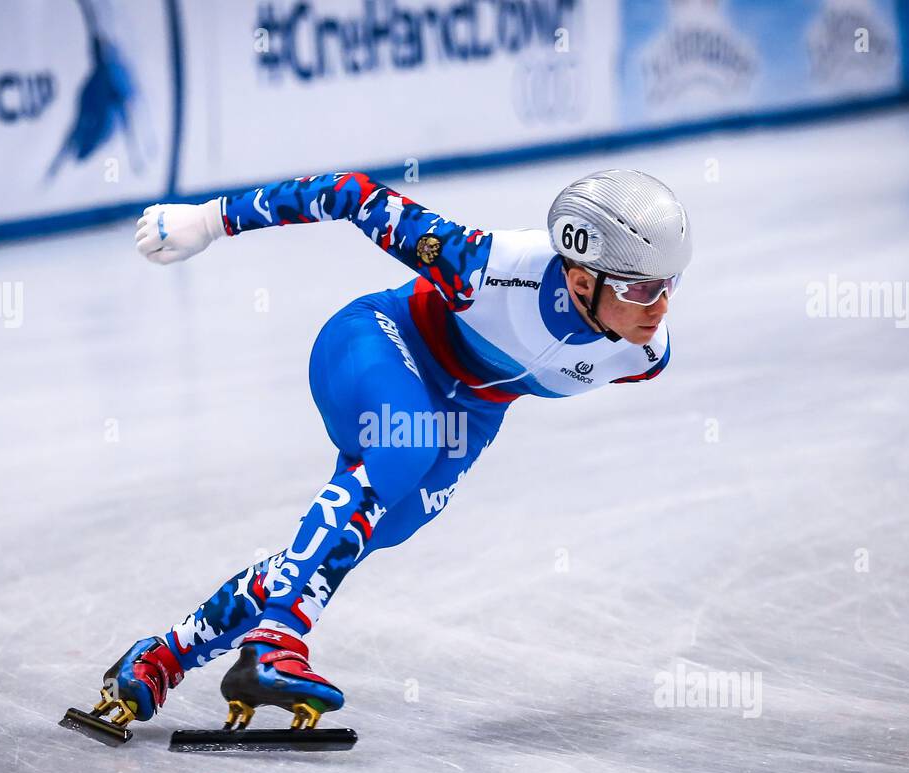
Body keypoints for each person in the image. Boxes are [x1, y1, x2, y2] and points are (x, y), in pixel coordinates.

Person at [98, 168, 691, 733]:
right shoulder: (484, 265)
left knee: (351, 541)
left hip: (471, 415)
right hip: (379, 338)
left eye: (668, 285)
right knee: (407, 446)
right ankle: (275, 641)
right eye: (641, 289)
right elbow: (352, 196)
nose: (660, 307)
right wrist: (208, 220)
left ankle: (161, 659)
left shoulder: (642, 356)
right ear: (581, 279)